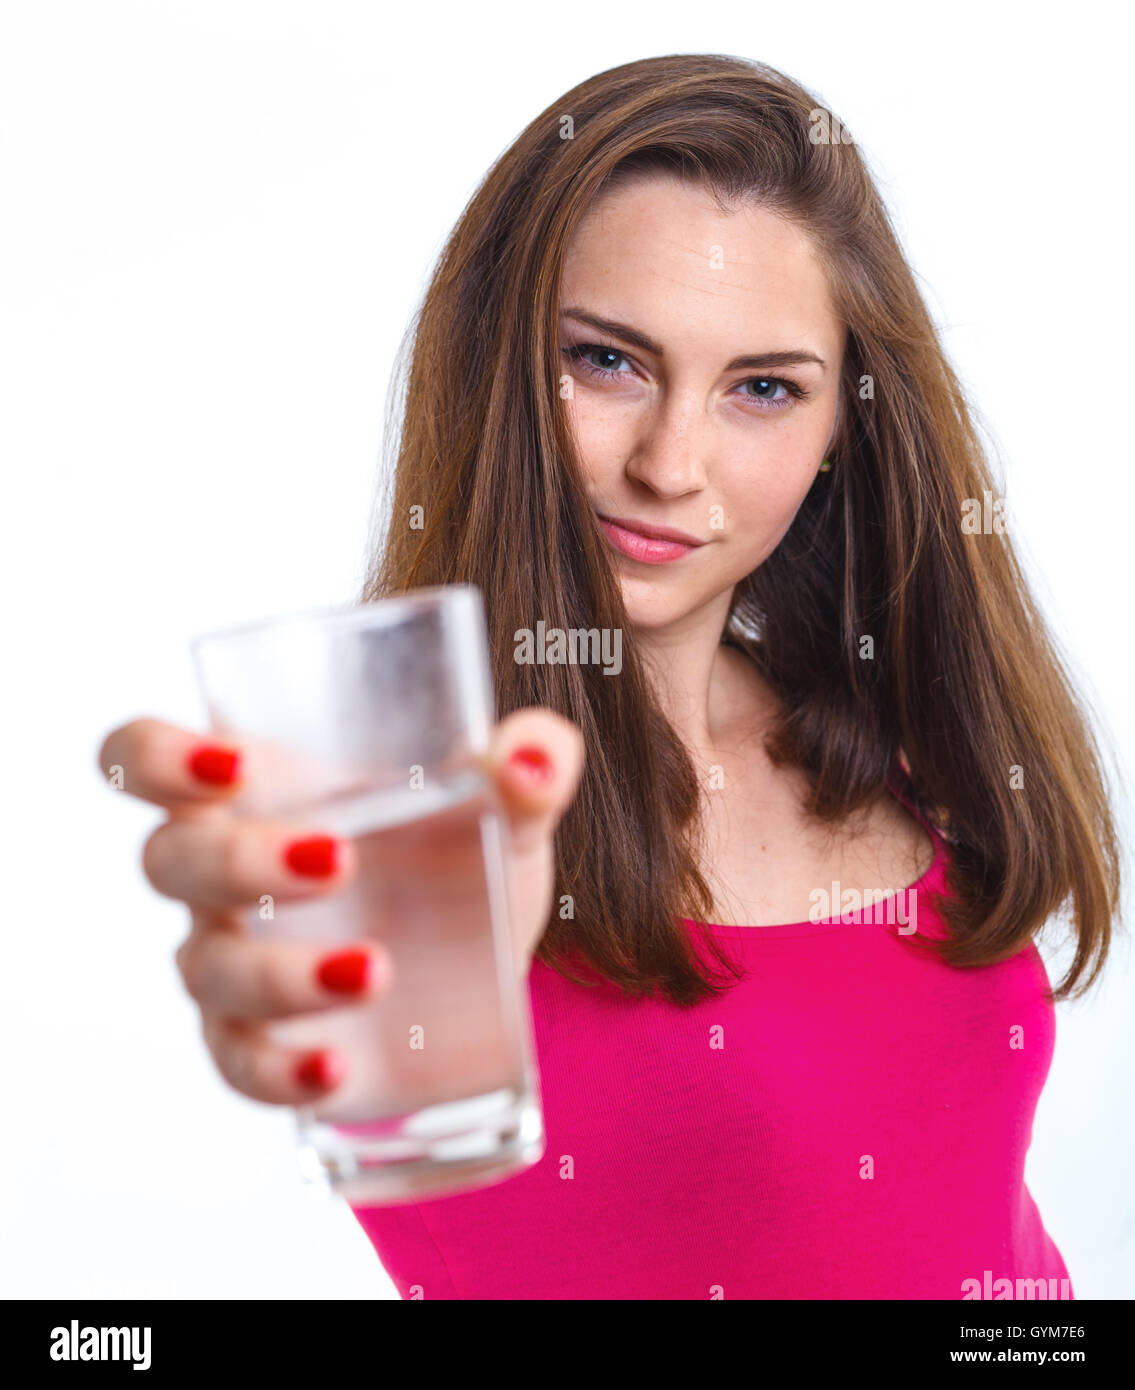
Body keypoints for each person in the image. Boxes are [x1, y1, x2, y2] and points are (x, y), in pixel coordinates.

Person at [100, 53, 1120, 1299]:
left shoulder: (886, 733)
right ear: (500, 365)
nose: (670, 464)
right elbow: (362, 1049)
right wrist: (329, 987)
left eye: (760, 389)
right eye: (607, 362)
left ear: (840, 422)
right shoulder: (411, 801)